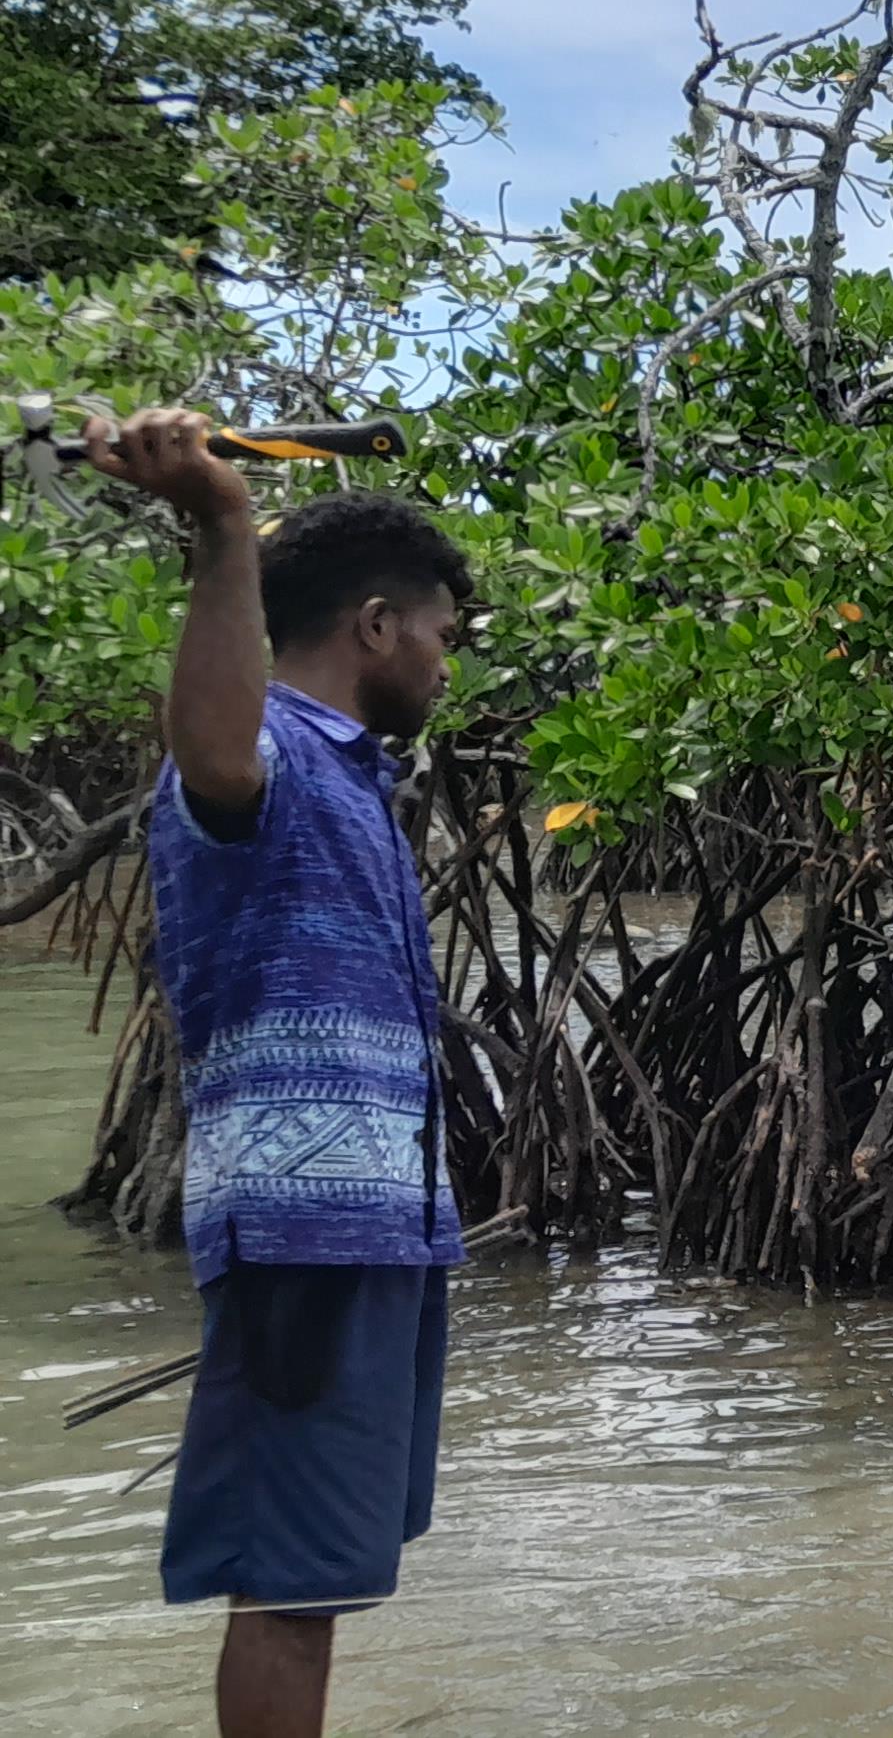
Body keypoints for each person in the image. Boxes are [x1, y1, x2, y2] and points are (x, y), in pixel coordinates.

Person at [86, 409, 474, 1738]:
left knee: (329, 1570)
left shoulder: (359, 783)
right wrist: (224, 523)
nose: (444, 663)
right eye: (440, 634)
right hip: (304, 1230)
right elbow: (210, 749)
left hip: (376, 1232)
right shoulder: (274, 758)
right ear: (376, 625)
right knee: (289, 1583)